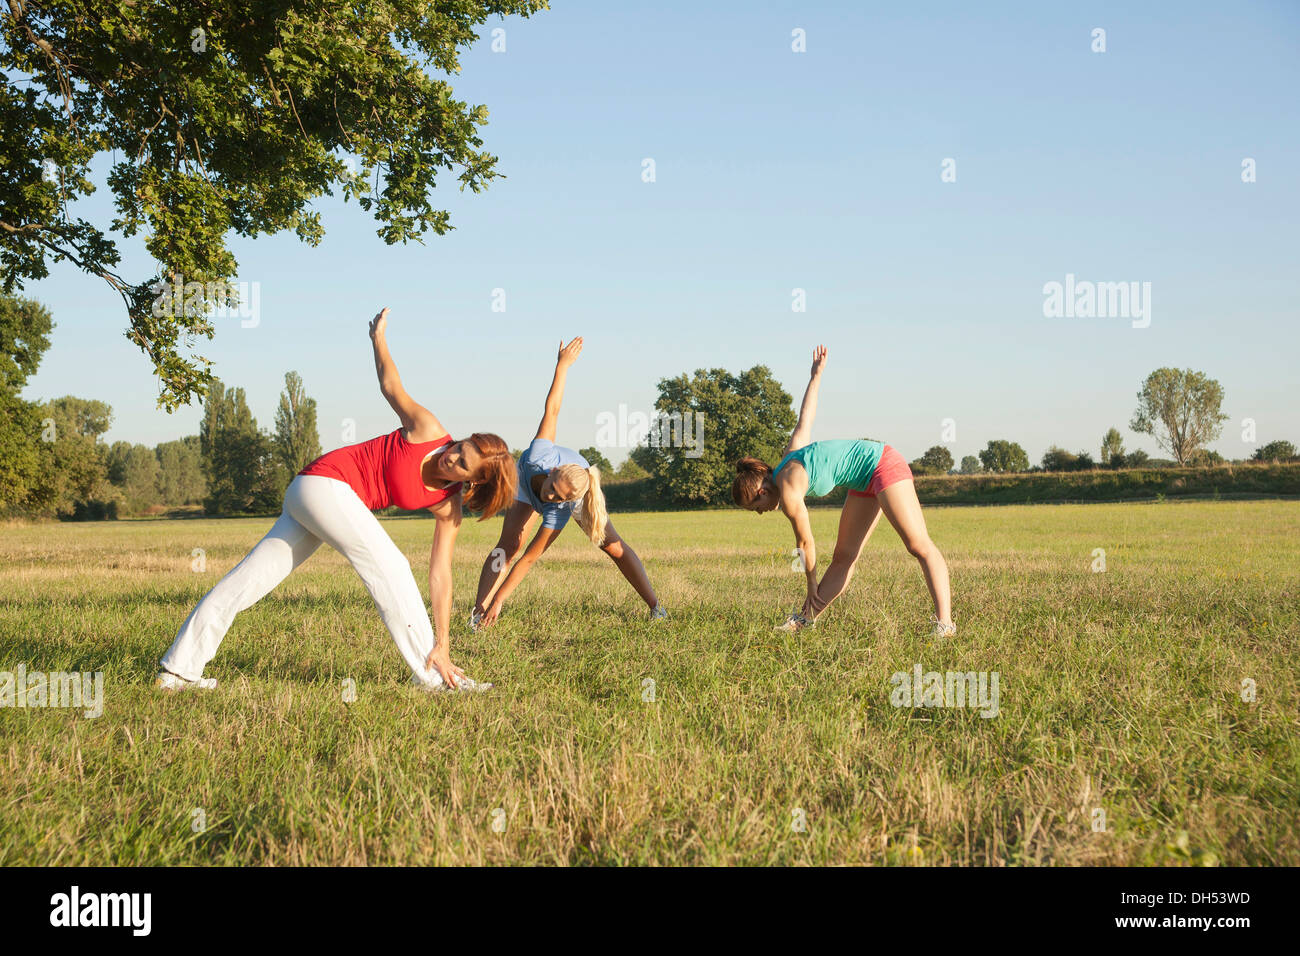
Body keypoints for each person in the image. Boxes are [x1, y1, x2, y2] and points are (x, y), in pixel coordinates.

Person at [157, 307, 516, 693]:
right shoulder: (428, 430)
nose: (452, 457)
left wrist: (443, 641)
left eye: (462, 464)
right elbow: (391, 386)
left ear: (474, 482)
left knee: (249, 582)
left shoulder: (449, 507)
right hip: (321, 485)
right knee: (391, 565)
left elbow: (441, 575)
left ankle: (178, 670)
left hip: (321, 504)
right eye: (460, 448)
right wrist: (378, 338)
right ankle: (432, 677)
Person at [731, 345, 955, 638]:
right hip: (862, 482)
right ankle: (803, 621)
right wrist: (816, 376)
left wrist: (811, 583)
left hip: (883, 464)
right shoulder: (788, 458)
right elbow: (804, 418)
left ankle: (945, 624)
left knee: (917, 545)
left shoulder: (787, 491)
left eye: (755, 508)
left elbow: (804, 543)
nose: (760, 513)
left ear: (761, 492)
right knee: (844, 556)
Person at [472, 337, 665, 629]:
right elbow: (553, 409)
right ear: (552, 471)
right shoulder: (540, 456)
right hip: (525, 481)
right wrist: (562, 366)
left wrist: (502, 599)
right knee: (507, 547)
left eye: (556, 499)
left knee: (612, 546)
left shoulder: (560, 507)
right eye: (551, 490)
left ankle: (656, 606)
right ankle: (477, 613)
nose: (549, 498)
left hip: (577, 491)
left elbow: (529, 560)